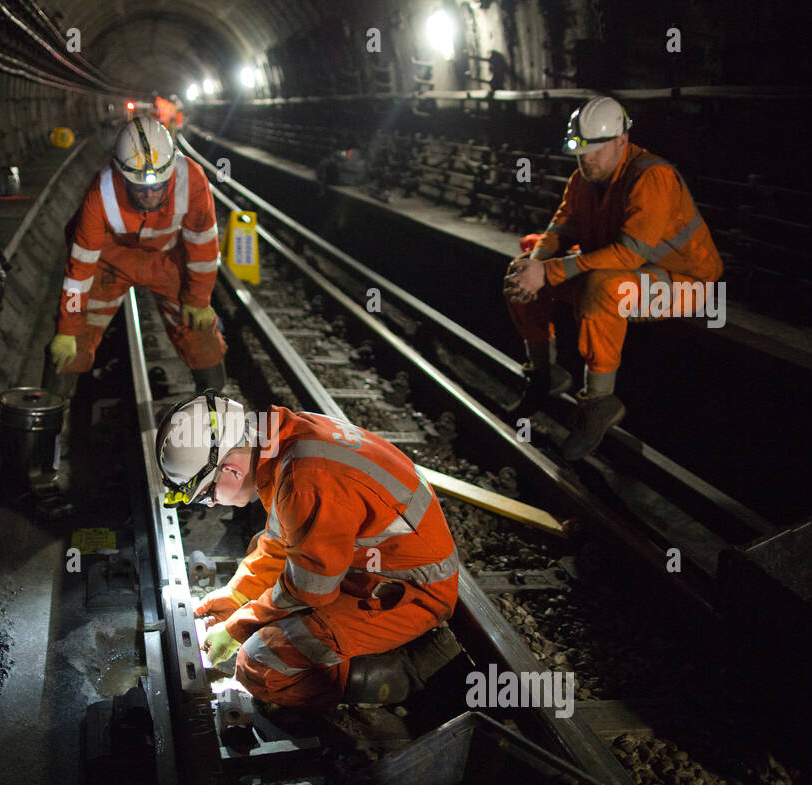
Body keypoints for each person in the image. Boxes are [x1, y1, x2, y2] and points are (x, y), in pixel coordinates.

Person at [155, 392, 463, 711]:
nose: (214, 503)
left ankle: (399, 672)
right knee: (268, 562)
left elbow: (309, 591)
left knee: (260, 663)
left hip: (409, 591)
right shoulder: (282, 441)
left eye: (207, 494)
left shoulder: (305, 482)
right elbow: (280, 540)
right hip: (371, 564)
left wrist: (239, 627)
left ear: (231, 470)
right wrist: (237, 596)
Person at [503, 96, 723, 459]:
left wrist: (550, 270)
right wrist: (536, 262)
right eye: (579, 149)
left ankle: (600, 402)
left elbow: (629, 254)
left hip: (686, 282)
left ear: (622, 141)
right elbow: (558, 229)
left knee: (601, 287)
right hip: (627, 272)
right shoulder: (582, 178)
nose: (586, 159)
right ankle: (543, 374)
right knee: (520, 269)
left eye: (596, 150)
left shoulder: (653, 177)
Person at [45, 116, 225, 400]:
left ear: (171, 171)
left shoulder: (192, 180)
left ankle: (212, 408)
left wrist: (197, 299)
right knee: (73, 344)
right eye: (140, 188)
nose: (150, 194)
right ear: (120, 174)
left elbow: (203, 246)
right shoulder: (101, 193)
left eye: (158, 186)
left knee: (201, 336)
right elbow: (79, 270)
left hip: (164, 258)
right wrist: (67, 330)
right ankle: (52, 409)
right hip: (111, 260)